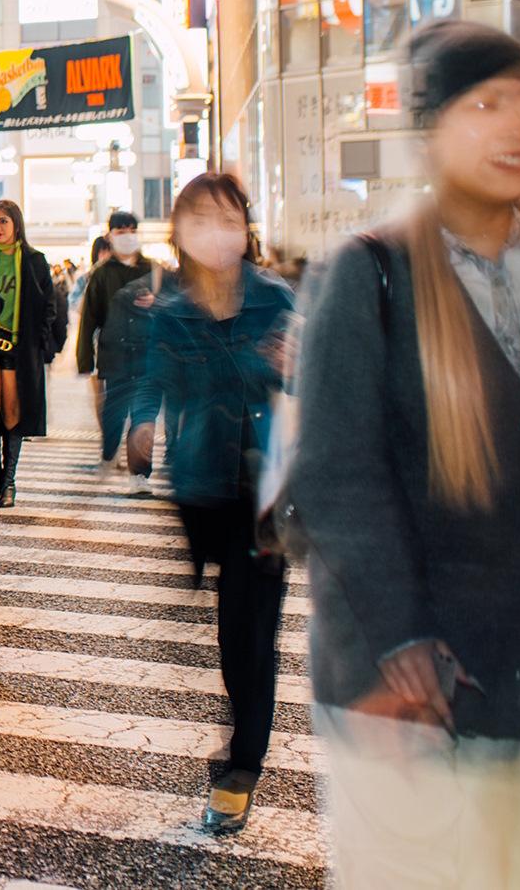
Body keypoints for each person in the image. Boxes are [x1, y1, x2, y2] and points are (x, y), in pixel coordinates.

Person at [293, 22, 520, 886]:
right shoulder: (372, 272)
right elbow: (335, 474)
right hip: (404, 692)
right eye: (487, 104)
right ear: (430, 129)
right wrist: (403, 637)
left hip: (518, 673)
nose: (517, 127)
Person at [128, 173, 295, 837]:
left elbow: (310, 380)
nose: (217, 233)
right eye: (201, 219)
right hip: (201, 483)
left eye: (229, 219)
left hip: (265, 489)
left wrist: (291, 366)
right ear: (180, 231)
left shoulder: (276, 297)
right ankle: (242, 741)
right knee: (231, 637)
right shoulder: (172, 308)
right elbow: (155, 377)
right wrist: (142, 425)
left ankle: (242, 765)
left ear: (246, 229)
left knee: (251, 631)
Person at [0, 200, 57, 509]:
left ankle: (8, 481)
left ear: (16, 224)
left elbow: (48, 305)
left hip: (18, 347)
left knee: (12, 415)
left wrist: (39, 342)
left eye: (3, 221)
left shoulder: (34, 261)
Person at [77, 208, 155, 490]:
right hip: (115, 357)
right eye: (121, 231)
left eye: (132, 230)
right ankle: (109, 453)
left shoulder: (152, 270)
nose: (128, 236)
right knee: (115, 412)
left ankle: (139, 475)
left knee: (144, 416)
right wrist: (85, 360)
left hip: (148, 355)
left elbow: (172, 307)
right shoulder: (101, 273)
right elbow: (89, 318)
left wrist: (157, 302)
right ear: (110, 235)